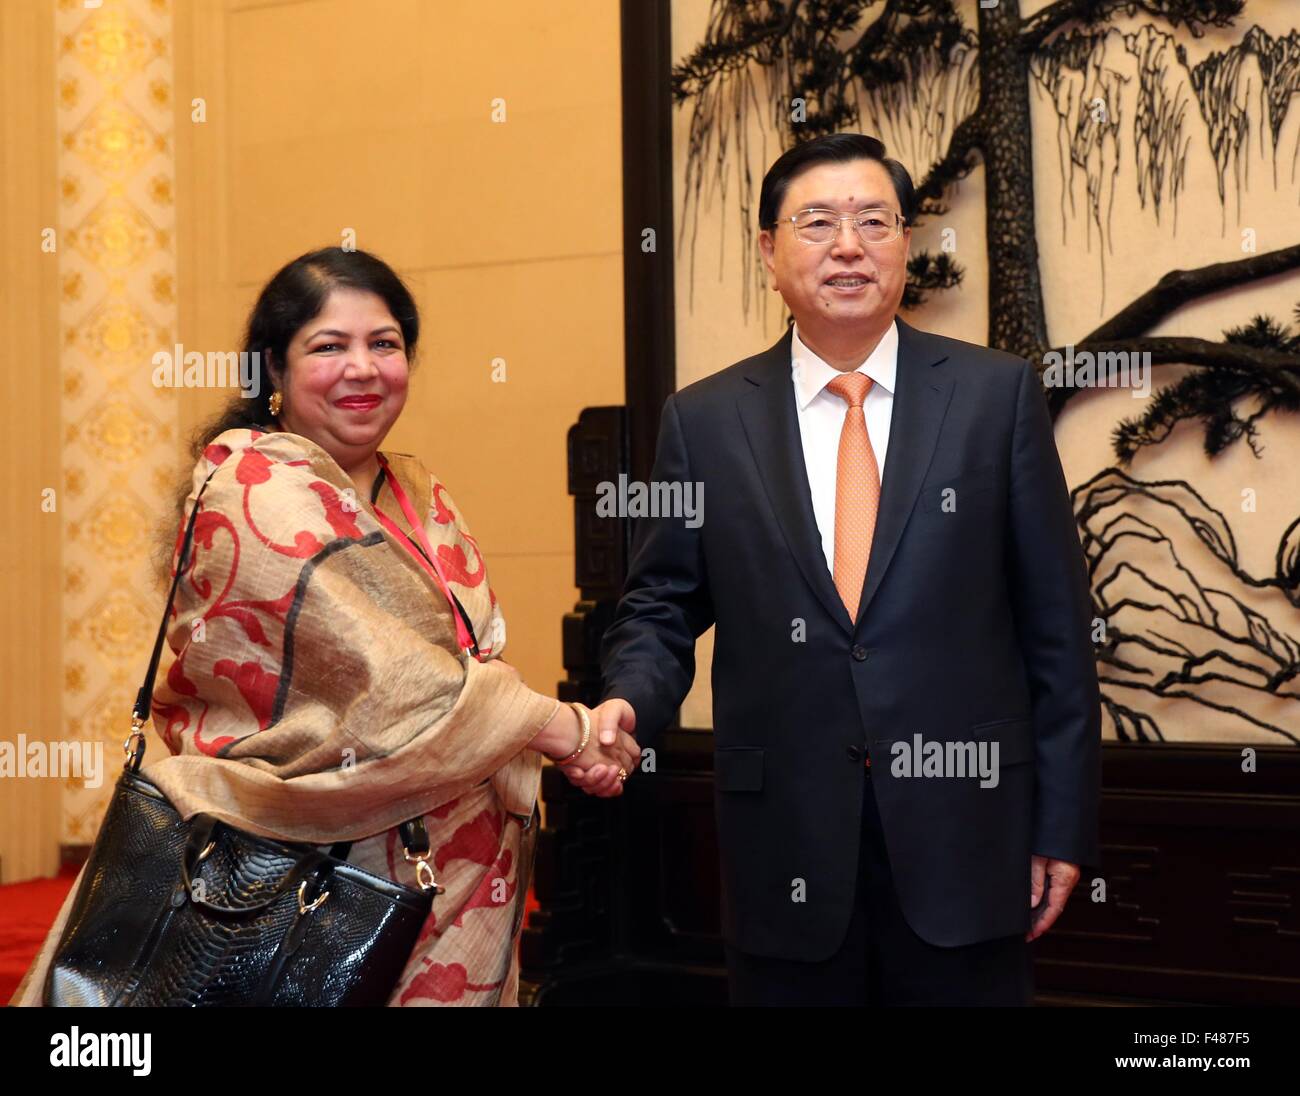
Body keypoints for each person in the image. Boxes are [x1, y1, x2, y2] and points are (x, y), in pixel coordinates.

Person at [11, 247, 637, 1008]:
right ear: (273, 369)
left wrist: (540, 729)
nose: (363, 368)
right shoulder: (248, 483)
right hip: (302, 862)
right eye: (328, 347)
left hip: (459, 865)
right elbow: (384, 680)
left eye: (385, 344)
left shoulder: (416, 488)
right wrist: (562, 731)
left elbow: (468, 656)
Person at [581, 133, 1101, 1005]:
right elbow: (661, 605)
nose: (848, 245)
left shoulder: (996, 398)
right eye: (816, 222)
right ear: (769, 252)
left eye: (873, 221)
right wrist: (628, 700)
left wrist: (1061, 823)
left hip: (968, 834)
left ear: (905, 244)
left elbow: (1057, 630)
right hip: (783, 840)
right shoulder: (703, 421)